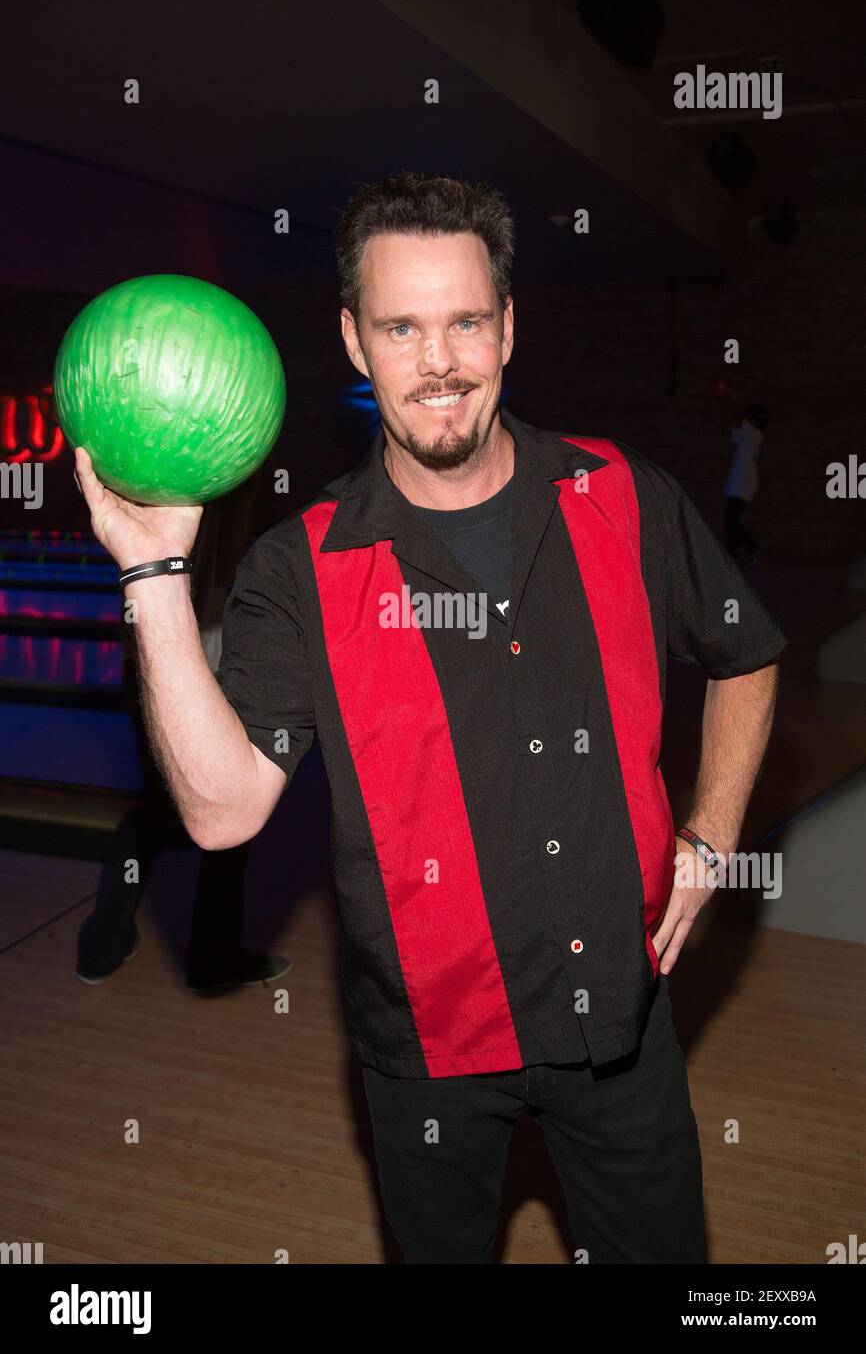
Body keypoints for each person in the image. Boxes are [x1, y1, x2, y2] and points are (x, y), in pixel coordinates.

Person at [73, 172, 787, 1263]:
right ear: (355, 343)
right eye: (401, 328)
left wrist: (712, 835)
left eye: (464, 322)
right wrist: (156, 570)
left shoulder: (619, 494)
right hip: (426, 1053)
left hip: (621, 1017)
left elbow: (745, 650)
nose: (439, 362)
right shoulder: (299, 568)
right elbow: (220, 816)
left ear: (508, 328)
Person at [76, 472, 290, 991]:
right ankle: (214, 958)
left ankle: (103, 943)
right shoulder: (238, 469)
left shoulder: (152, 467)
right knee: (225, 812)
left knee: (155, 811)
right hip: (209, 670)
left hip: (147, 665)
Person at [723, 403, 767, 565]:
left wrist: (732, 398)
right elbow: (731, 434)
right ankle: (733, 555)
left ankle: (748, 549)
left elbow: (738, 418)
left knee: (730, 519)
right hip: (740, 482)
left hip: (743, 482)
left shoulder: (754, 433)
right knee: (730, 519)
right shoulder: (748, 434)